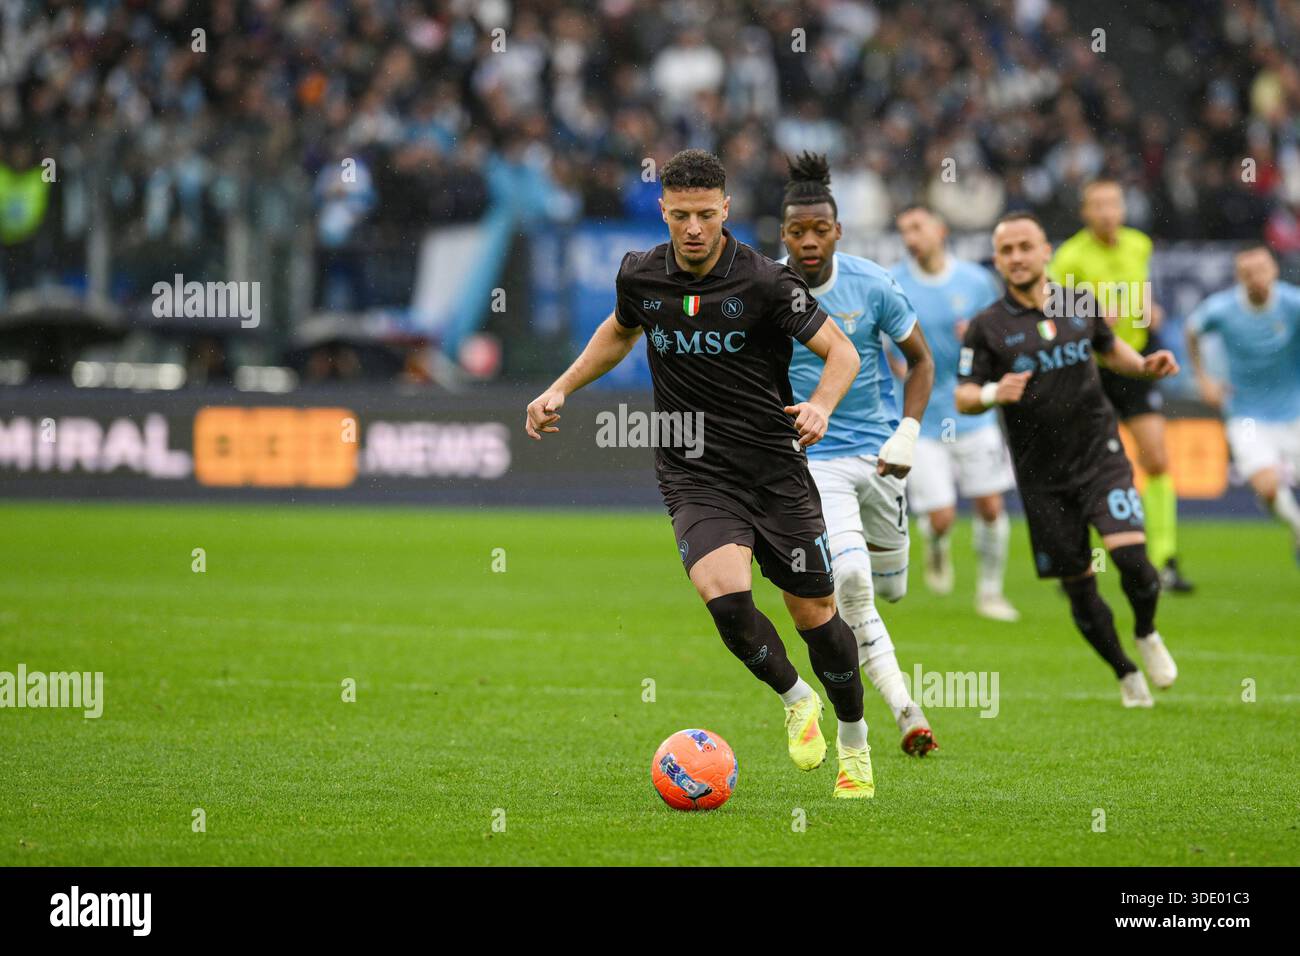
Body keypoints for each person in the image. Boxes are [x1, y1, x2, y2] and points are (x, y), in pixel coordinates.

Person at [526, 149, 876, 797]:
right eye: (680, 215)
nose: (692, 228)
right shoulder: (639, 275)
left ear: (726, 212)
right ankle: (797, 698)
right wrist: (562, 388)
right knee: (725, 596)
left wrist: (821, 405)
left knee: (815, 614)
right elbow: (620, 329)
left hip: (774, 469)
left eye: (705, 215)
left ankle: (854, 740)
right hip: (693, 468)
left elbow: (842, 352)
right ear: (663, 211)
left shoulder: (766, 282)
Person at [956, 212, 1181, 708]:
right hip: (1042, 479)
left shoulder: (1080, 302)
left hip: (1100, 456)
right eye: (1006, 250)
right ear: (997, 259)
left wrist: (1144, 366)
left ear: (1045, 252)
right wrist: (994, 390)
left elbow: (1108, 348)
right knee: (1079, 589)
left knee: (1131, 559)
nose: (1016, 257)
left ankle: (1146, 631)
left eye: (1024, 247)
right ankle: (1124, 671)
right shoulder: (987, 327)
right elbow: (964, 396)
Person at [780, 154, 940, 757]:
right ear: (783, 234)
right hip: (816, 461)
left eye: (820, 230)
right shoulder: (771, 289)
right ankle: (905, 711)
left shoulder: (872, 284)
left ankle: (897, 694)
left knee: (891, 587)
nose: (809, 241)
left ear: (837, 230)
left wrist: (910, 429)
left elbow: (922, 360)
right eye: (797, 232)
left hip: (881, 461)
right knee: (850, 581)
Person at [1049, 180, 1194, 592]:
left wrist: (1149, 307)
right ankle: (1077, 563)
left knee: (1157, 458)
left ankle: (1163, 560)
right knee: (1081, 466)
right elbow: (1050, 305)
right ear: (1085, 212)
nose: (1107, 211)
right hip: (1090, 370)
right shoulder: (1070, 256)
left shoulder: (1138, 244)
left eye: (1113, 203)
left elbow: (1138, 288)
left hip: (1135, 363)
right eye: (1098, 205)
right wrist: (1089, 314)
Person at [892, 203, 1020, 622]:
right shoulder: (895, 282)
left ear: (940, 229)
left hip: (973, 407)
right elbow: (879, 339)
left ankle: (990, 592)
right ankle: (936, 543)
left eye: (918, 227)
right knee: (942, 517)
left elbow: (1003, 332)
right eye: (904, 230)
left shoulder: (976, 281)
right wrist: (897, 367)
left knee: (989, 506)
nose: (911, 237)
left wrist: (981, 339)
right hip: (923, 416)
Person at [1186, 246, 1300, 562]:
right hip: (1247, 416)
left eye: (1262, 270)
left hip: (1296, 412)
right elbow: (1192, 330)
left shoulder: (1292, 303)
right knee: (1266, 487)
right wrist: (1203, 379)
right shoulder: (1222, 309)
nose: (1257, 278)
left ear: (1274, 271)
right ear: (1239, 278)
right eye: (1248, 273)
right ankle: (1298, 529)